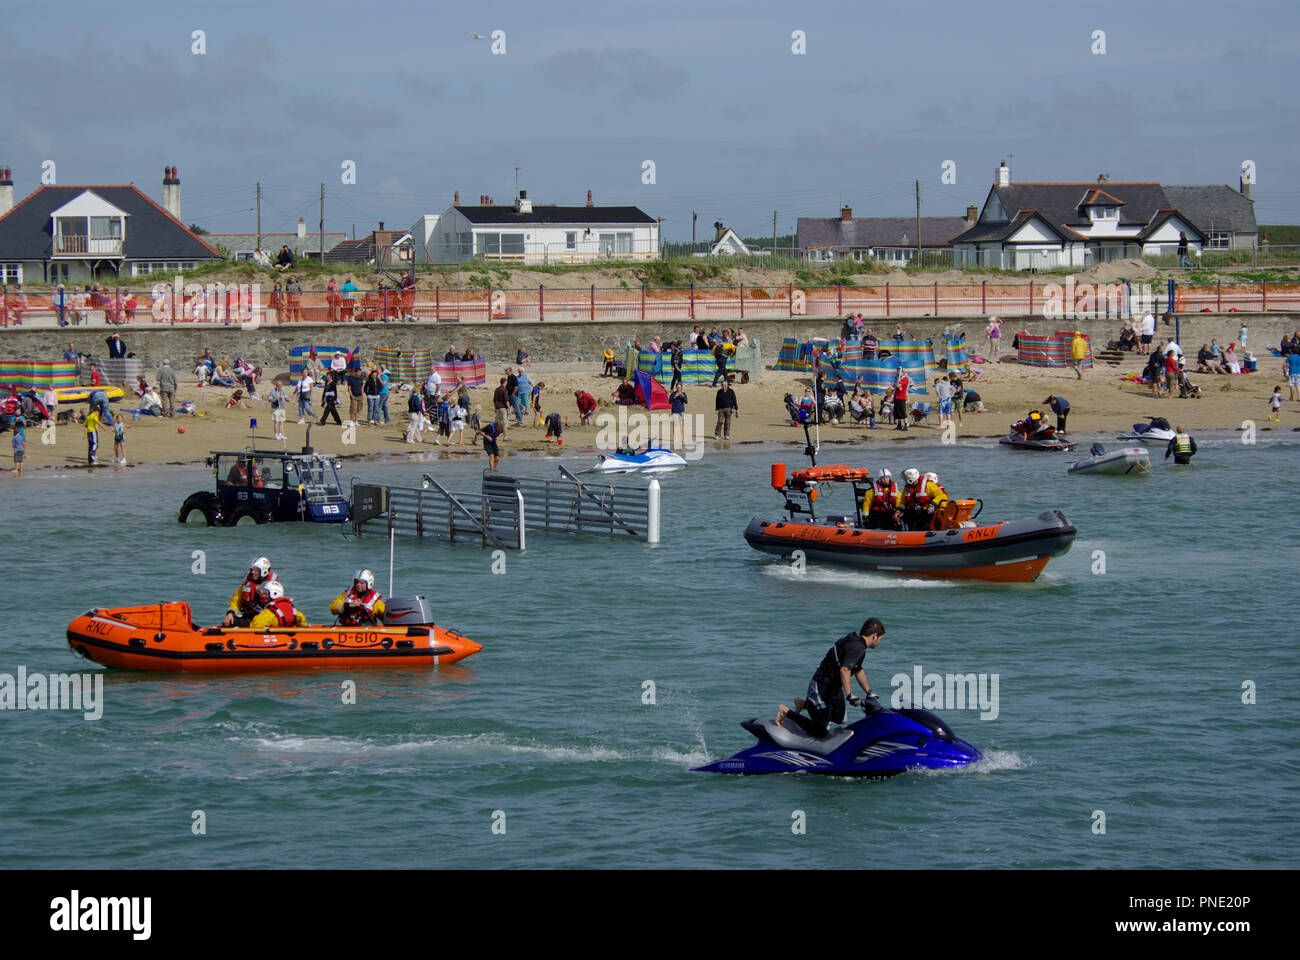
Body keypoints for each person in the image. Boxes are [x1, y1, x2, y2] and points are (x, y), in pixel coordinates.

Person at [775, 619, 885, 738]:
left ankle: (804, 704)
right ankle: (786, 712)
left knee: (840, 717)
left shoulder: (858, 646)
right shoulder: (857, 647)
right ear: (874, 636)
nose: (879, 642)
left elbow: (858, 670)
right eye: (880, 639)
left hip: (834, 688)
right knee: (821, 731)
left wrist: (868, 692)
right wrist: (849, 695)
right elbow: (844, 670)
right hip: (821, 686)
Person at [223, 557, 278, 627]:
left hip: (264, 618)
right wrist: (230, 613)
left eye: (256, 570)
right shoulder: (247, 584)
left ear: (264, 571)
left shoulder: (272, 587)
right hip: (250, 616)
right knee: (228, 621)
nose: (252, 572)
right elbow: (236, 599)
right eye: (252, 569)